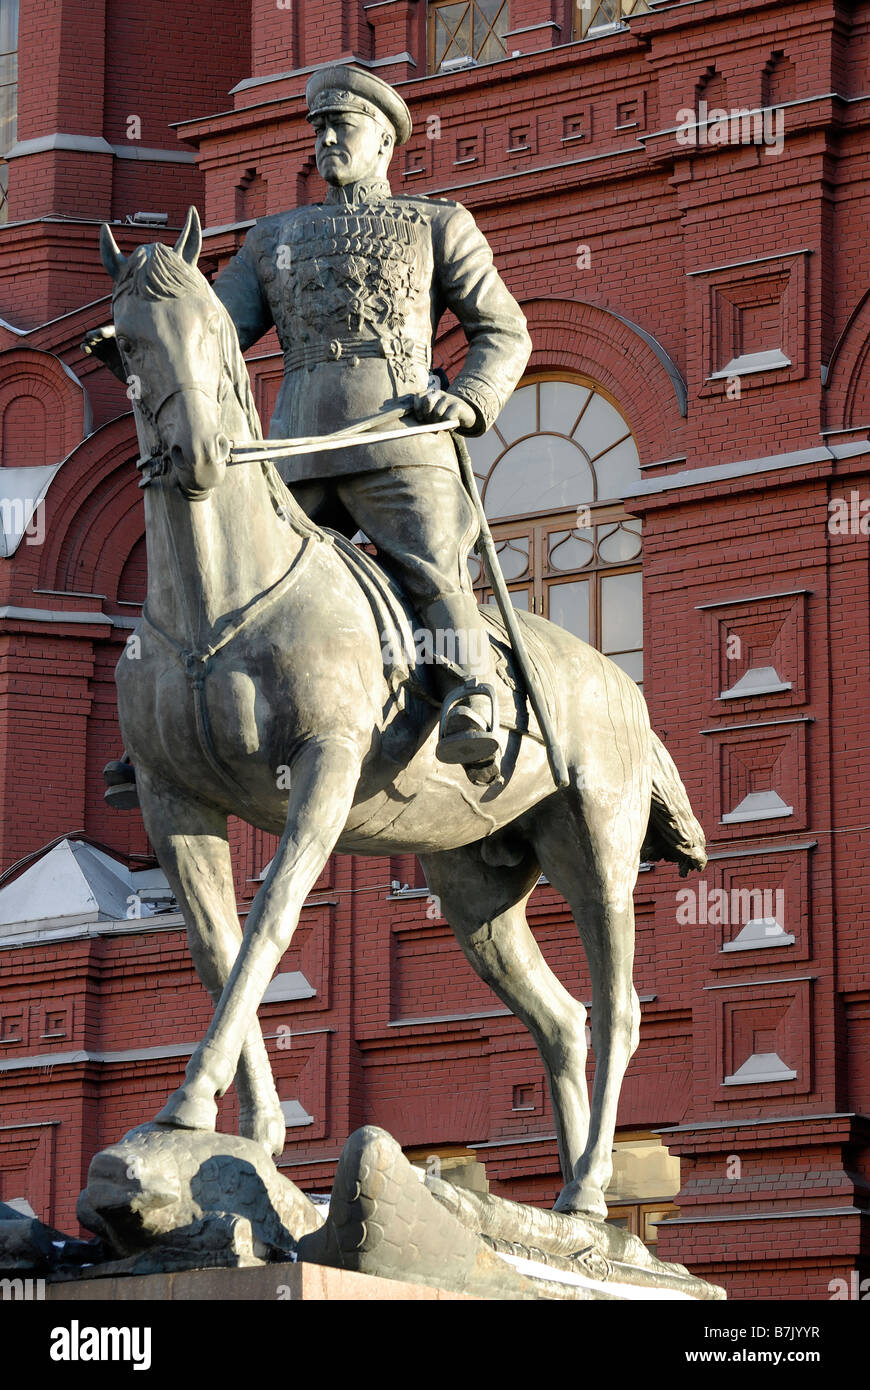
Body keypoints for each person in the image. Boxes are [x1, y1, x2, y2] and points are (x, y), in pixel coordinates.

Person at [100, 64, 532, 794]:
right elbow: (213, 332)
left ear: (384, 141)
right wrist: (143, 346)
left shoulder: (435, 224)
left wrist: (468, 399)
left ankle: (471, 697)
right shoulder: (274, 239)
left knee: (431, 561)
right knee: (215, 567)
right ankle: (163, 727)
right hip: (294, 452)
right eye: (319, 128)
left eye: (344, 126)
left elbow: (504, 329)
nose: (327, 139)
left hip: (399, 441)